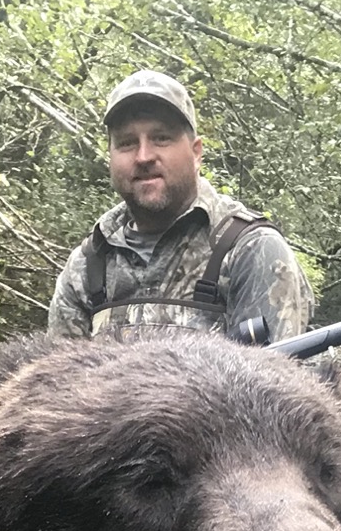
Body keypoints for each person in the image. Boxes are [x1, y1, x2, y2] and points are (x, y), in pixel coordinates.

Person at [47, 71, 313, 343]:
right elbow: (56, 380)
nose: (143, 156)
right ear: (110, 157)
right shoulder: (87, 265)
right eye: (126, 143)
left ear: (196, 153)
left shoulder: (251, 251)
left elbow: (274, 381)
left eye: (161, 138)